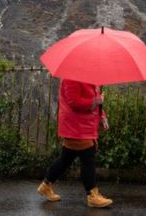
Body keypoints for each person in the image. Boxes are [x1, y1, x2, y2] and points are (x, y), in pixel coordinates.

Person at [37, 79, 112, 208]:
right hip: (76, 127)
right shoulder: (70, 78)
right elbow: (74, 103)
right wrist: (94, 102)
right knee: (87, 158)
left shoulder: (90, 75)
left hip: (84, 126)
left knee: (65, 159)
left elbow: (96, 99)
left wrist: (102, 116)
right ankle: (92, 195)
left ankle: (45, 185)